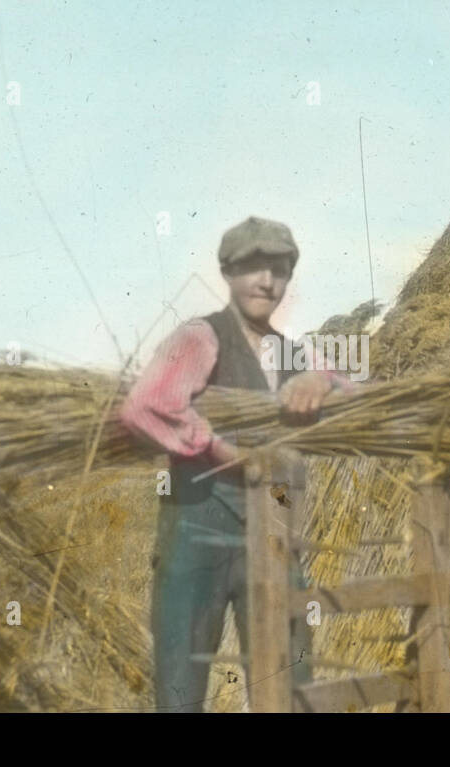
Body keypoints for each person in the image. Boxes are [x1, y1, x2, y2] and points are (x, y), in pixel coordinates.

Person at [120, 216, 357, 712]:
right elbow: (144, 406)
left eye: (279, 269)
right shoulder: (199, 338)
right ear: (228, 273)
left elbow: (360, 399)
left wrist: (324, 385)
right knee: (181, 691)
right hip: (197, 531)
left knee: (290, 683)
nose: (266, 282)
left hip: (271, 532)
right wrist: (217, 449)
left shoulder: (295, 355)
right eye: (253, 268)